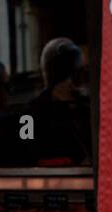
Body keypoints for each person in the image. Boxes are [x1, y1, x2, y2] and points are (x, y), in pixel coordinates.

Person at [26, 38, 92, 166]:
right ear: (74, 74)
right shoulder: (30, 116)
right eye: (82, 72)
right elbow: (28, 155)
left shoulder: (30, 115)